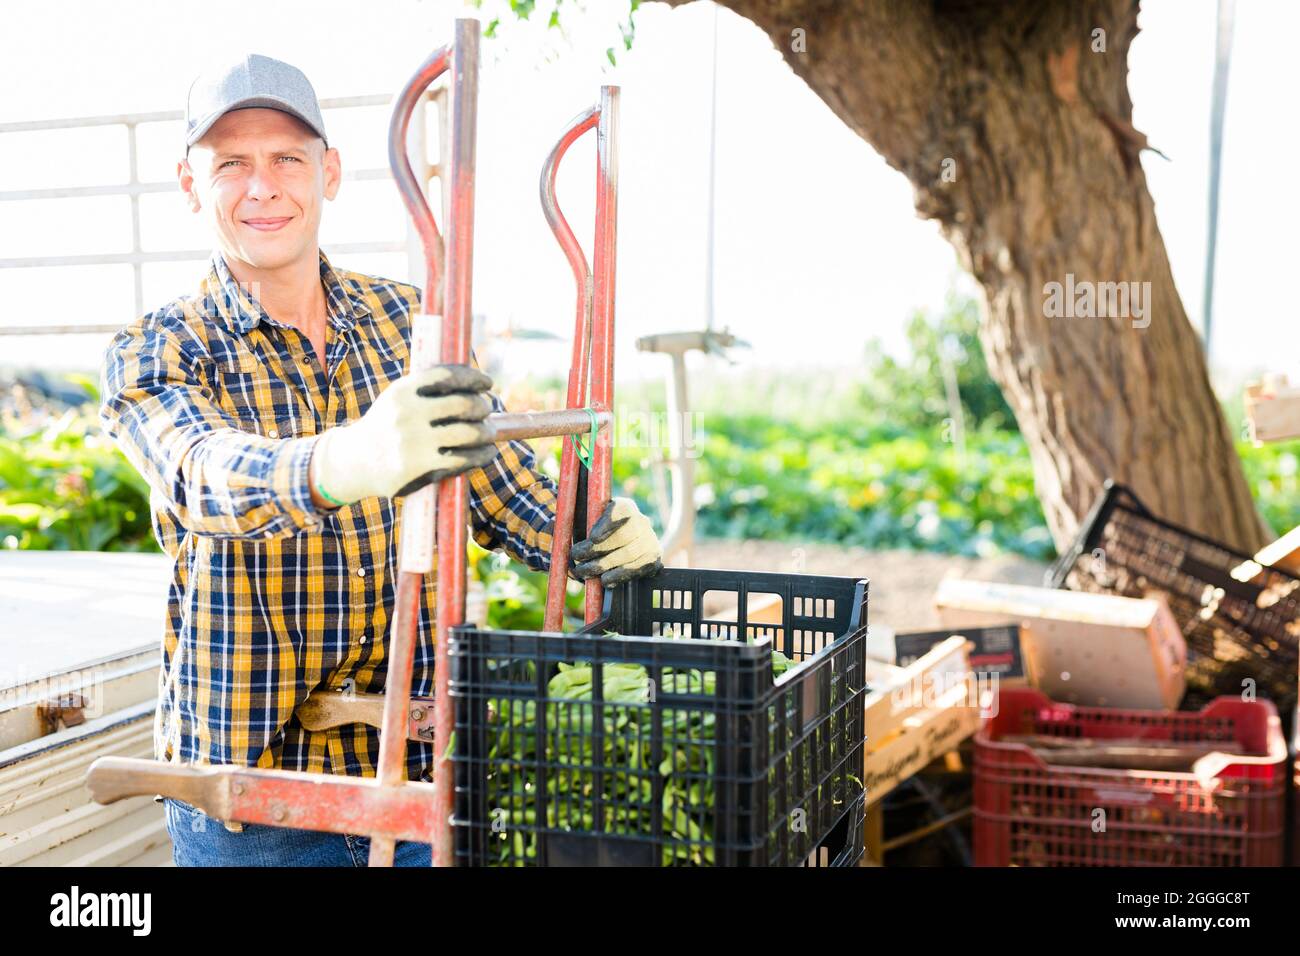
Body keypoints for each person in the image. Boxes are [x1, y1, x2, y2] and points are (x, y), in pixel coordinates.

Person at [98, 53, 662, 867]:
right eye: (232, 165)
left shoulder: (409, 324)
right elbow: (200, 472)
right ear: (191, 187)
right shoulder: (158, 347)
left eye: (287, 159)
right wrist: (343, 463)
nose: (263, 187)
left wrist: (583, 532)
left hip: (415, 774)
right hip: (258, 807)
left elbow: (499, 486)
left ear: (328, 174)